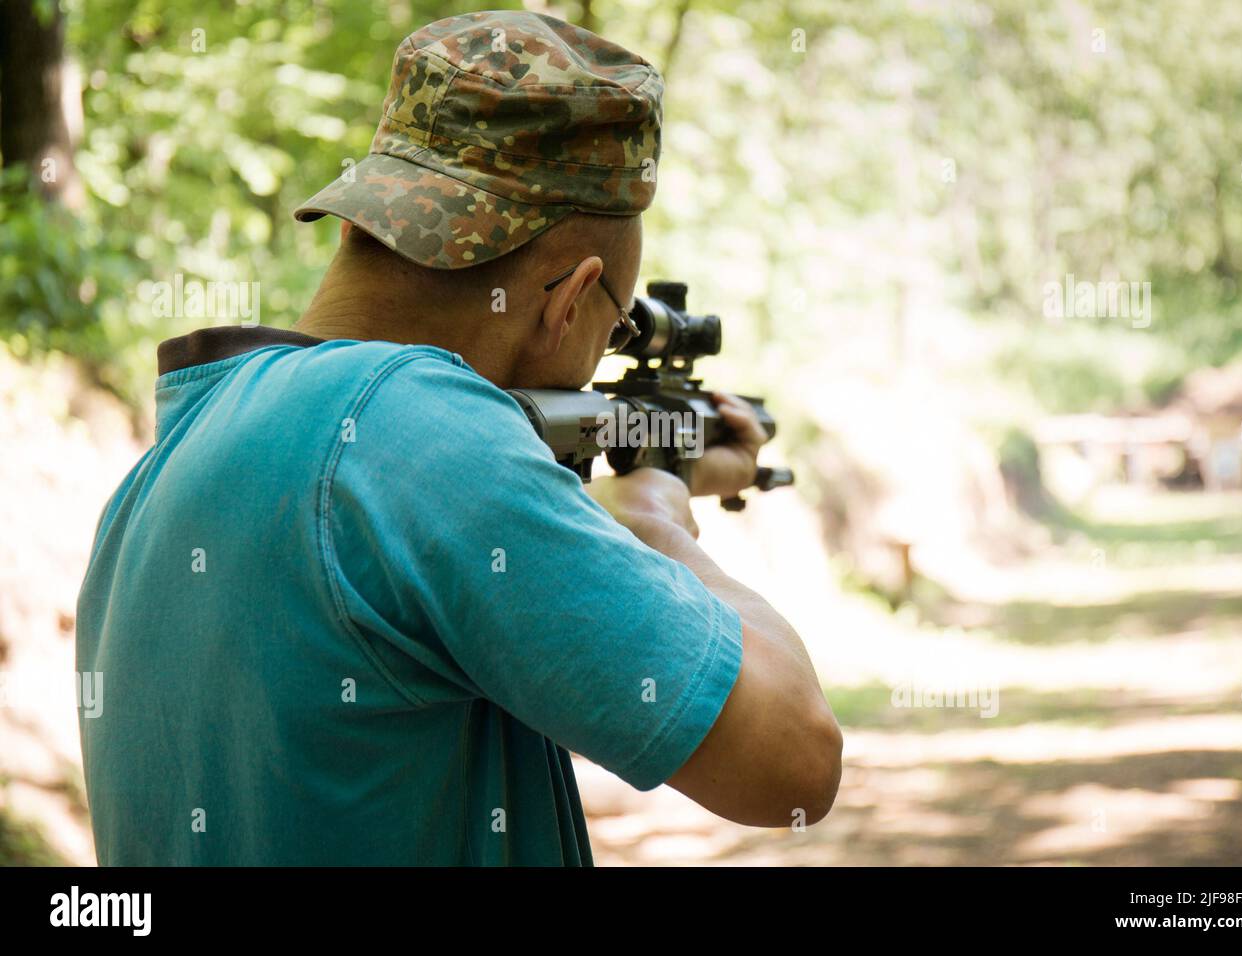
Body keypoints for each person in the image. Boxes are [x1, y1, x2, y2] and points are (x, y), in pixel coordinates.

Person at [76, 9, 840, 866]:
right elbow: (795, 764)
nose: (600, 357)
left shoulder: (171, 459)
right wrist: (656, 514)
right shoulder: (415, 433)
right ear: (567, 298)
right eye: (616, 325)